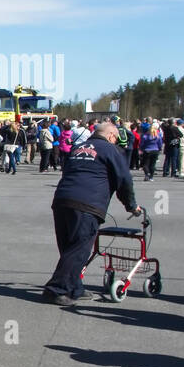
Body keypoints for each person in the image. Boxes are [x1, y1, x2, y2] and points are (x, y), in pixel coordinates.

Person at [43, 121, 138, 306]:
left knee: (69, 248)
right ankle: (56, 289)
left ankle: (74, 287)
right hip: (87, 204)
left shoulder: (77, 148)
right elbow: (124, 180)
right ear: (111, 135)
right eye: (116, 138)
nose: (116, 141)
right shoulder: (111, 150)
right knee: (79, 248)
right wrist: (131, 206)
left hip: (62, 200)